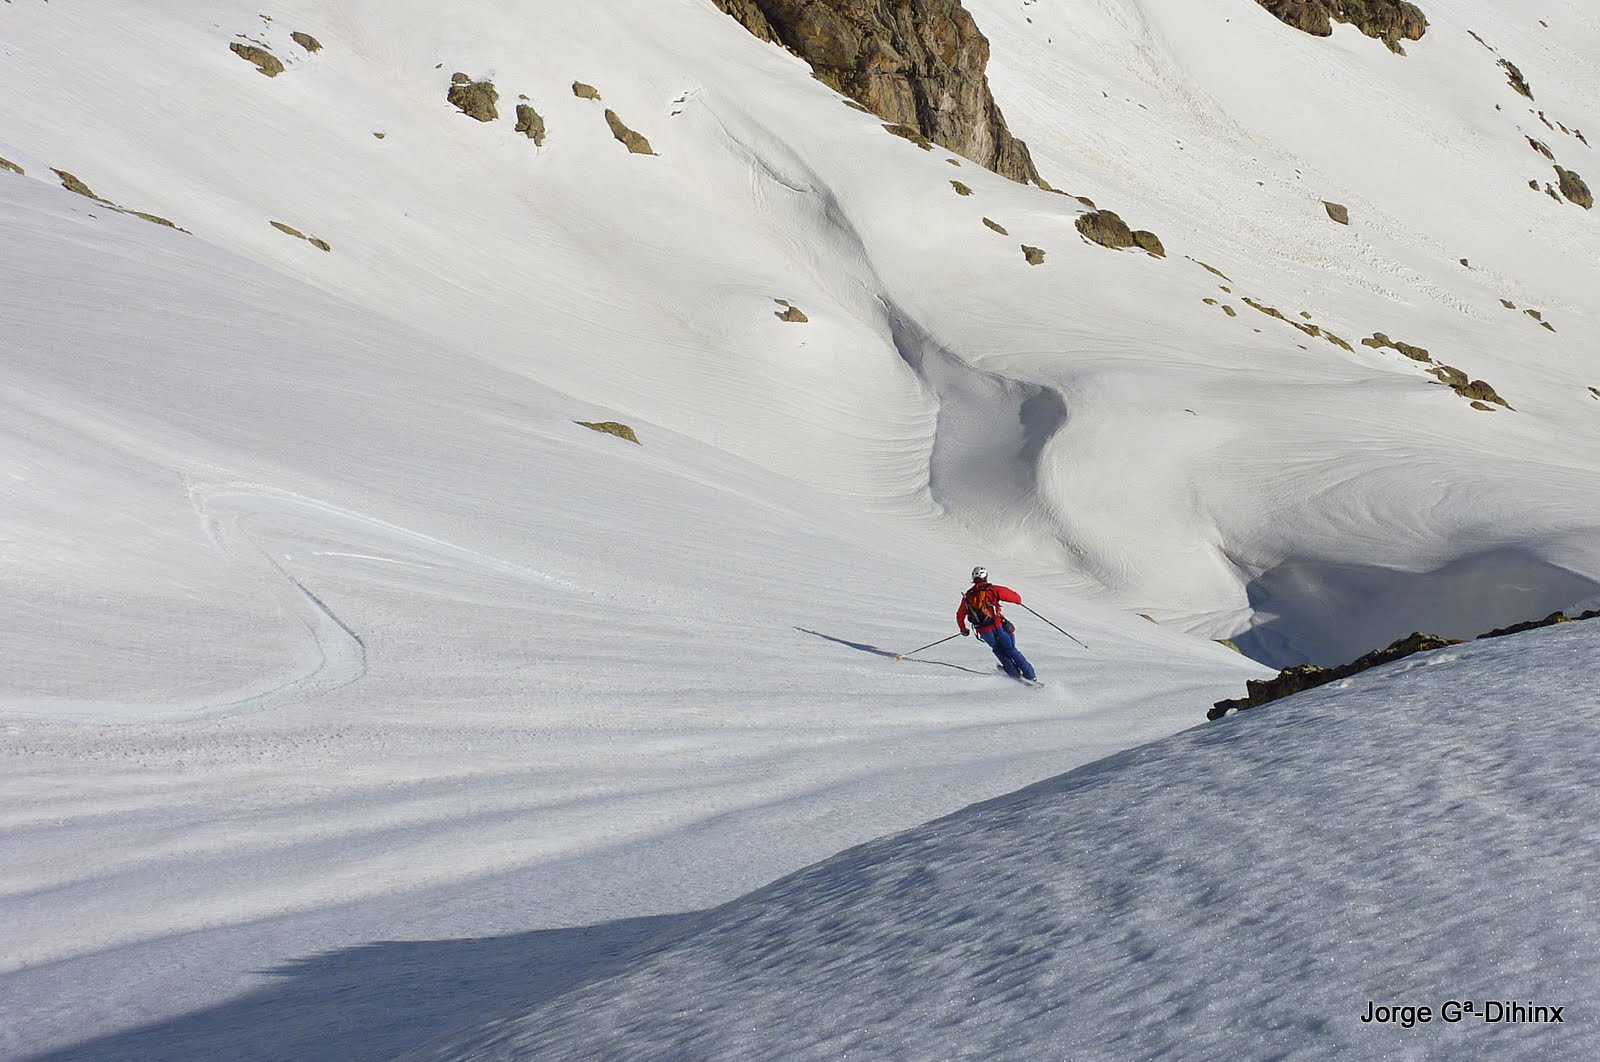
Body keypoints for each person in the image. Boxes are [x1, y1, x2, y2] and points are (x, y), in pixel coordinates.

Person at [957, 566, 1037, 681]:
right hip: (998, 625)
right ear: (986, 577)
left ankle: (1013, 674)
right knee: (1011, 649)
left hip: (984, 631)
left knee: (998, 649)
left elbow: (960, 615)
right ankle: (1030, 676)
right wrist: (1018, 601)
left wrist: (963, 628)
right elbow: (1016, 597)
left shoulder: (968, 595)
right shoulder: (992, 590)